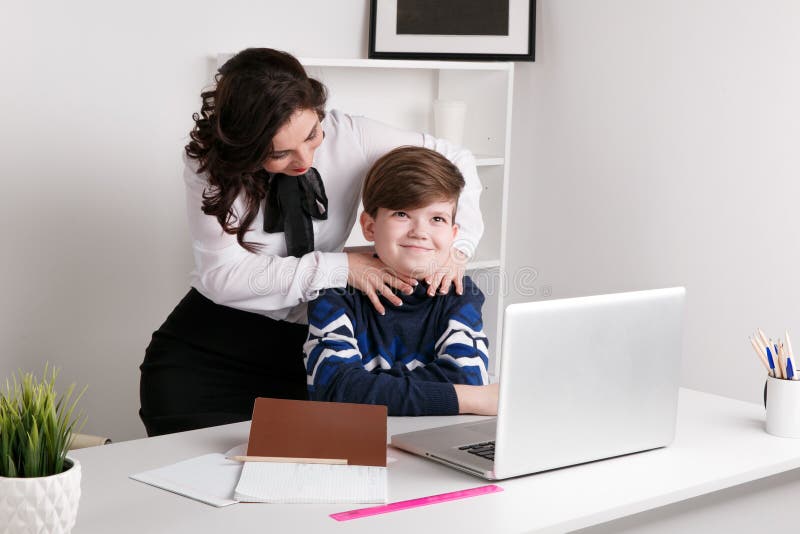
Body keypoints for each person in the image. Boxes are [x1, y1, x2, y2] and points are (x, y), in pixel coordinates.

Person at [138, 48, 485, 436]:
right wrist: (342, 268)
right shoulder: (212, 166)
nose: (304, 158)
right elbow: (222, 275)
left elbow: (455, 160)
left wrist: (458, 249)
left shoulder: (353, 135)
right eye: (279, 153)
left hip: (308, 352)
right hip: (209, 355)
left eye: (312, 135)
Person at [304, 147, 498, 416]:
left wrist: (370, 389)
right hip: (353, 441)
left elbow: (467, 379)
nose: (420, 232)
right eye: (402, 214)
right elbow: (335, 390)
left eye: (437, 219)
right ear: (370, 226)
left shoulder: (459, 294)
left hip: (433, 438)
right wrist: (465, 398)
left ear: (453, 234)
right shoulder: (334, 292)